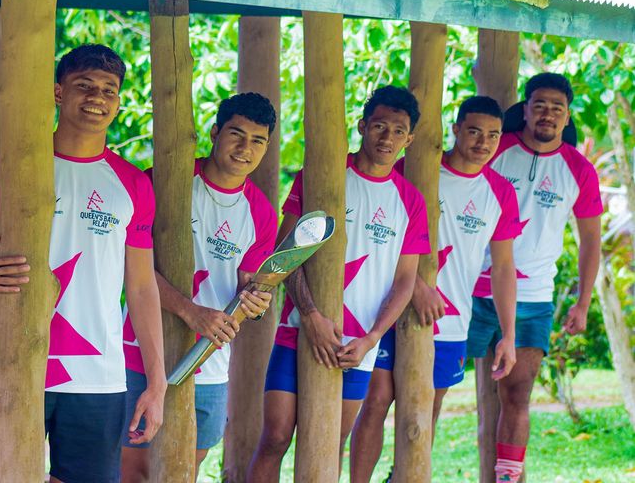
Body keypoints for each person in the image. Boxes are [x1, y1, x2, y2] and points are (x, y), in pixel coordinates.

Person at [0, 44, 166, 483]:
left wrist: (157, 383)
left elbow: (140, 287)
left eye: (109, 90)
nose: (97, 98)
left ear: (118, 101)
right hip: (14, 366)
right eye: (84, 86)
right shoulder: (11, 168)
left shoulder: (132, 184)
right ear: (59, 92)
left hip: (98, 378)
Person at [247, 86, 430, 481]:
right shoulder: (322, 176)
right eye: (379, 126)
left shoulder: (410, 200)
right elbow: (284, 255)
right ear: (363, 126)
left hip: (357, 346)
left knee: (330, 442)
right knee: (276, 437)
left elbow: (404, 281)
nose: (387, 138)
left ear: (409, 140)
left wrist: (372, 338)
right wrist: (310, 315)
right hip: (297, 331)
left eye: (398, 131)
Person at [350, 96, 521, 482]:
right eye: (474, 131)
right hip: (388, 306)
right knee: (376, 402)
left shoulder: (500, 193)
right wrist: (420, 286)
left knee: (425, 411)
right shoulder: (416, 170)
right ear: (456, 129)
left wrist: (508, 335)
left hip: (451, 321)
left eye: (493, 135)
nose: (483, 142)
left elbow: (504, 267)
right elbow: (381, 234)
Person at [120, 92, 278, 481]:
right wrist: (190, 311)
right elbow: (128, 266)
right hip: (137, 351)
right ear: (214, 132)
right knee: (135, 471)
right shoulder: (163, 181)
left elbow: (246, 286)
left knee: (182, 471)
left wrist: (255, 301)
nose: (245, 149)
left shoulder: (260, 212)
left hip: (209, 363)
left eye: (258, 141)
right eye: (236, 135)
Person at [467, 73, 602, 483]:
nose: (547, 114)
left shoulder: (579, 169)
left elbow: (591, 240)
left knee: (517, 394)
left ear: (567, 116)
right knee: (427, 383)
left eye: (556, 108)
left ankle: (508, 479)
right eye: (539, 105)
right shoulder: (495, 150)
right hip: (468, 290)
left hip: (532, 298)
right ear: (524, 109)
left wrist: (582, 302)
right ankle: (407, 467)